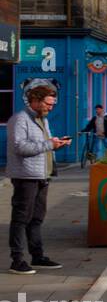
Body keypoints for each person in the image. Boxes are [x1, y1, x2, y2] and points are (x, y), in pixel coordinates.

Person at [6, 83, 71, 275]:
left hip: (43, 175)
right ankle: (17, 260)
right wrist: (48, 144)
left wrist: (56, 144)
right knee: (21, 218)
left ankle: (37, 256)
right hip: (26, 176)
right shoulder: (20, 119)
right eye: (47, 104)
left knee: (37, 218)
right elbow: (20, 147)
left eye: (52, 105)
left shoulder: (43, 120)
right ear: (35, 100)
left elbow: (44, 145)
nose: (50, 108)